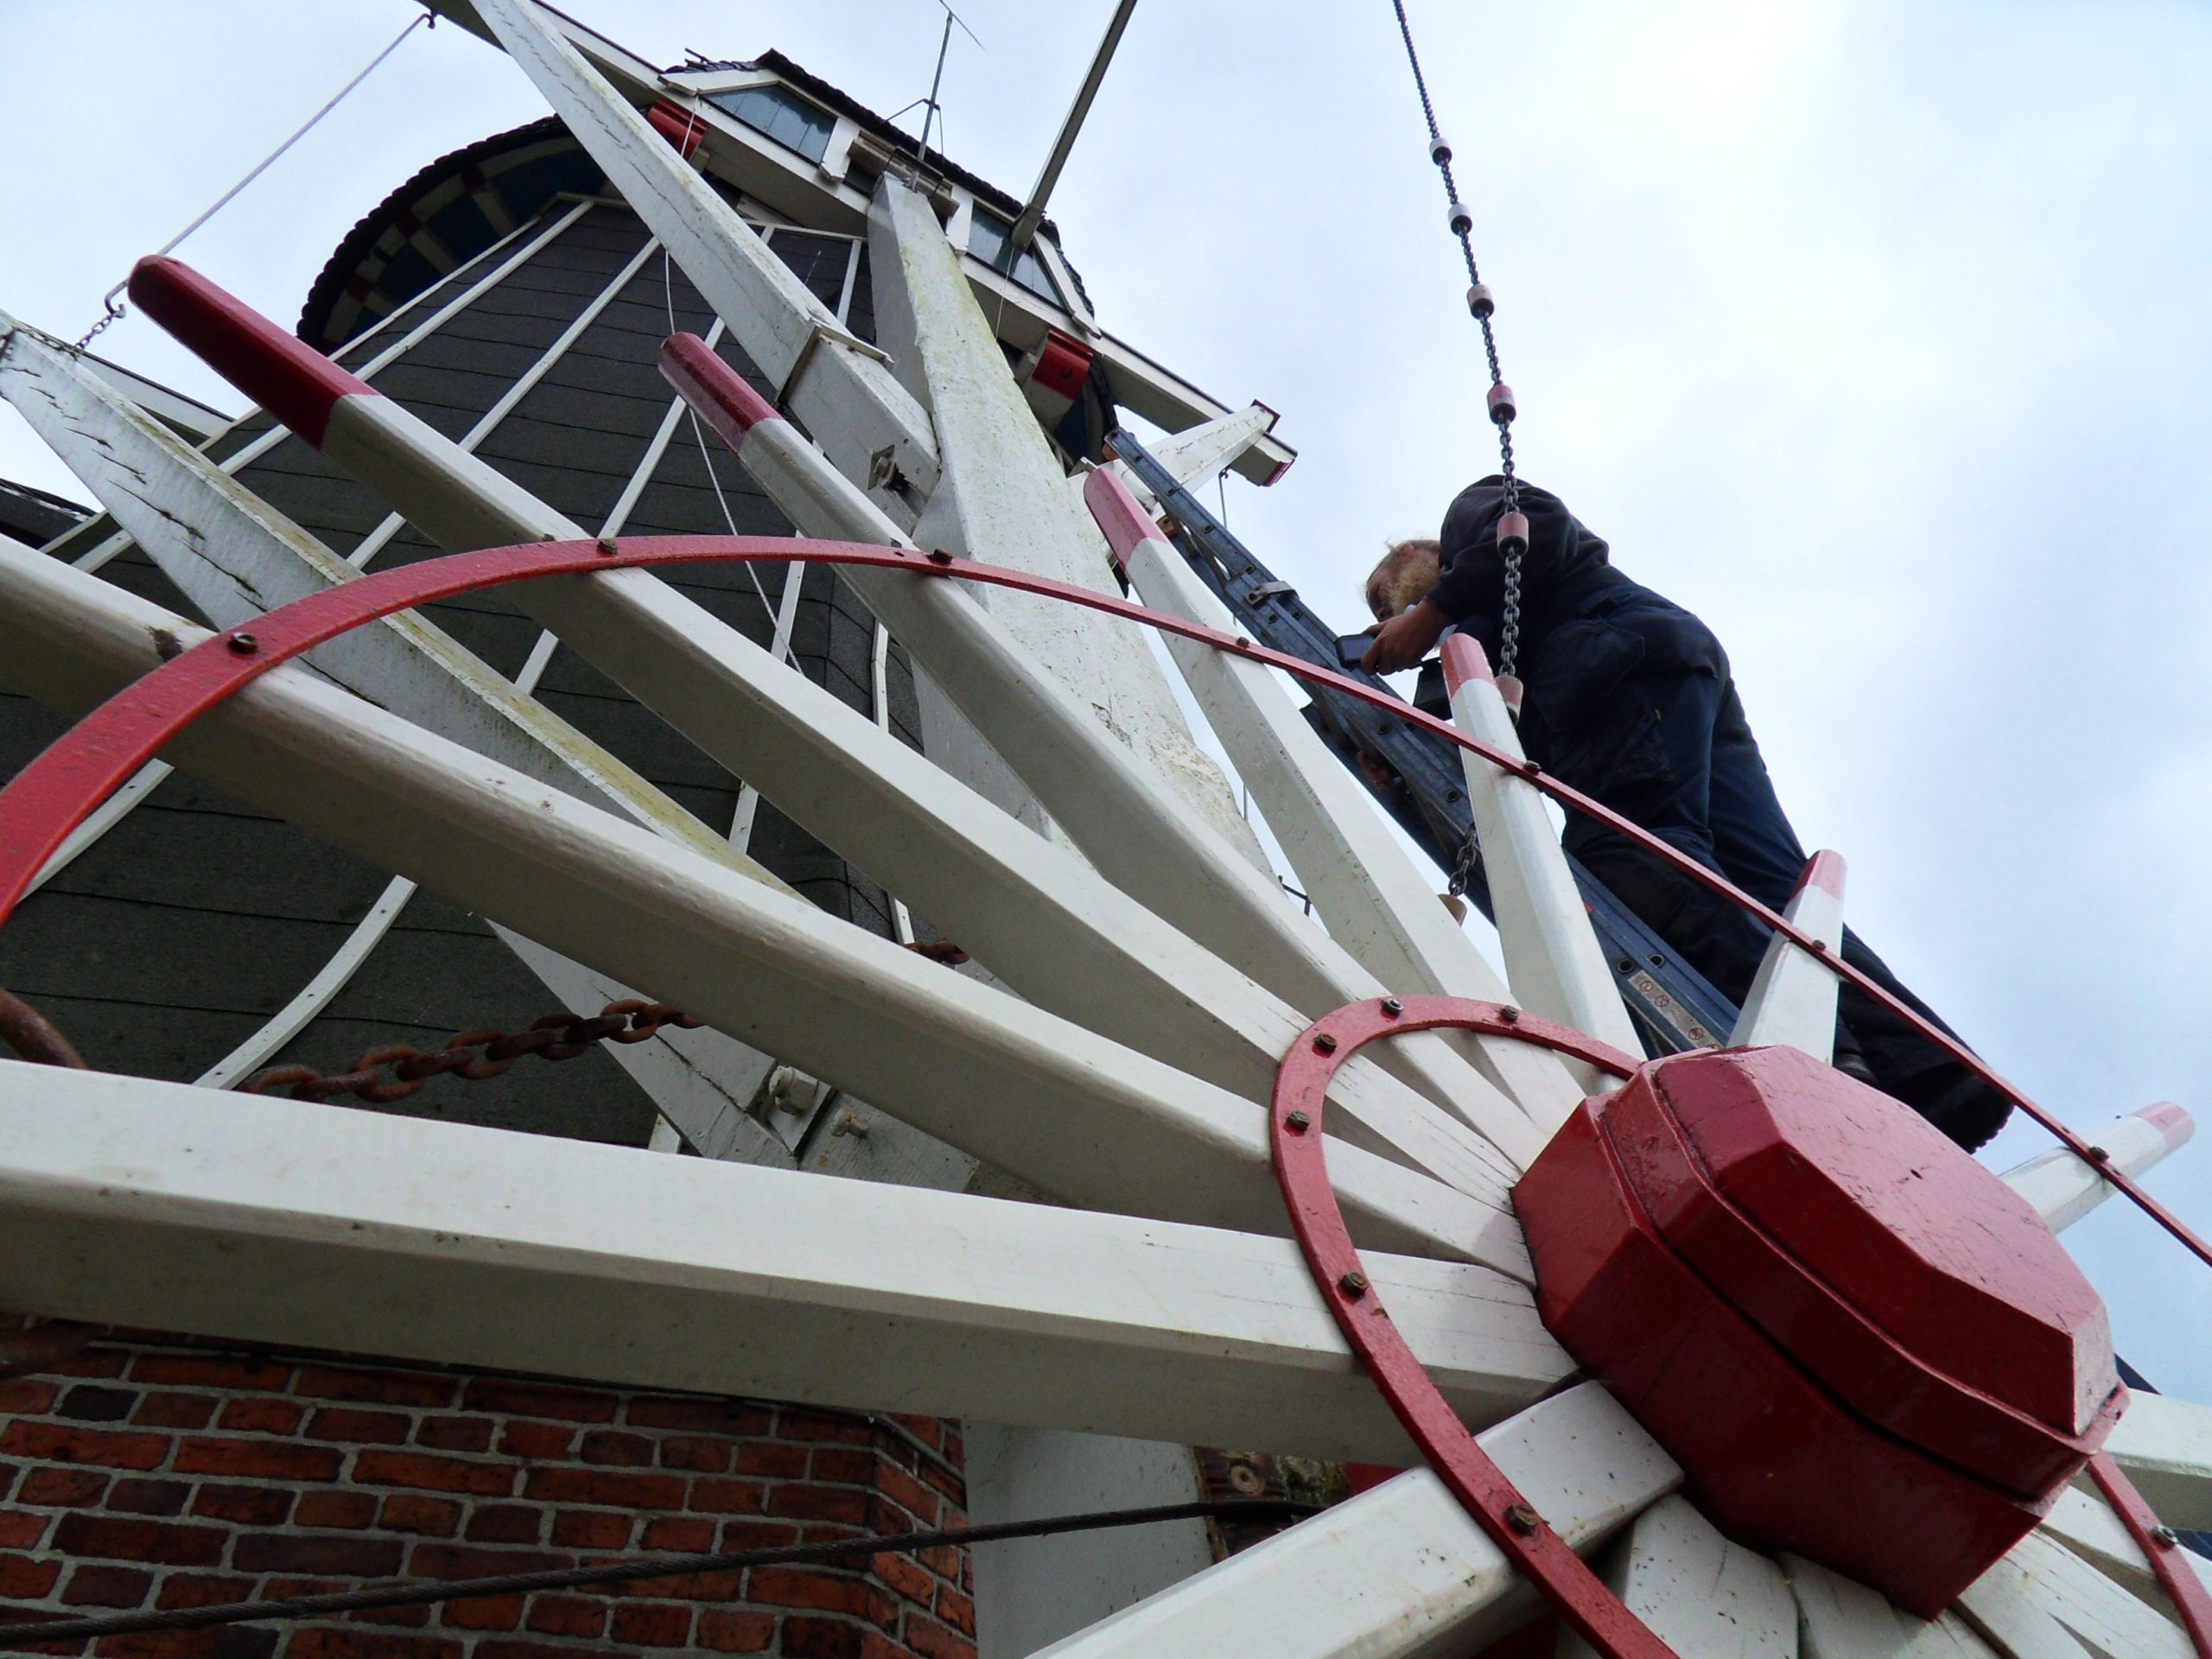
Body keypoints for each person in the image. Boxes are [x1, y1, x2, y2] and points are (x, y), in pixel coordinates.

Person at [1359, 477, 2011, 1151]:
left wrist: (1431, 613)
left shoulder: (1472, 526)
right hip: (1658, 664)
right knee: (1772, 888)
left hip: (1608, 656)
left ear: (1415, 552)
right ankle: (1929, 1073)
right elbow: (1473, 732)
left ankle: (1816, 1050)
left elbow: (1534, 520)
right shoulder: (1485, 629)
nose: (1391, 611)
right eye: (1383, 612)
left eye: (1392, 594)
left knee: (1635, 857)